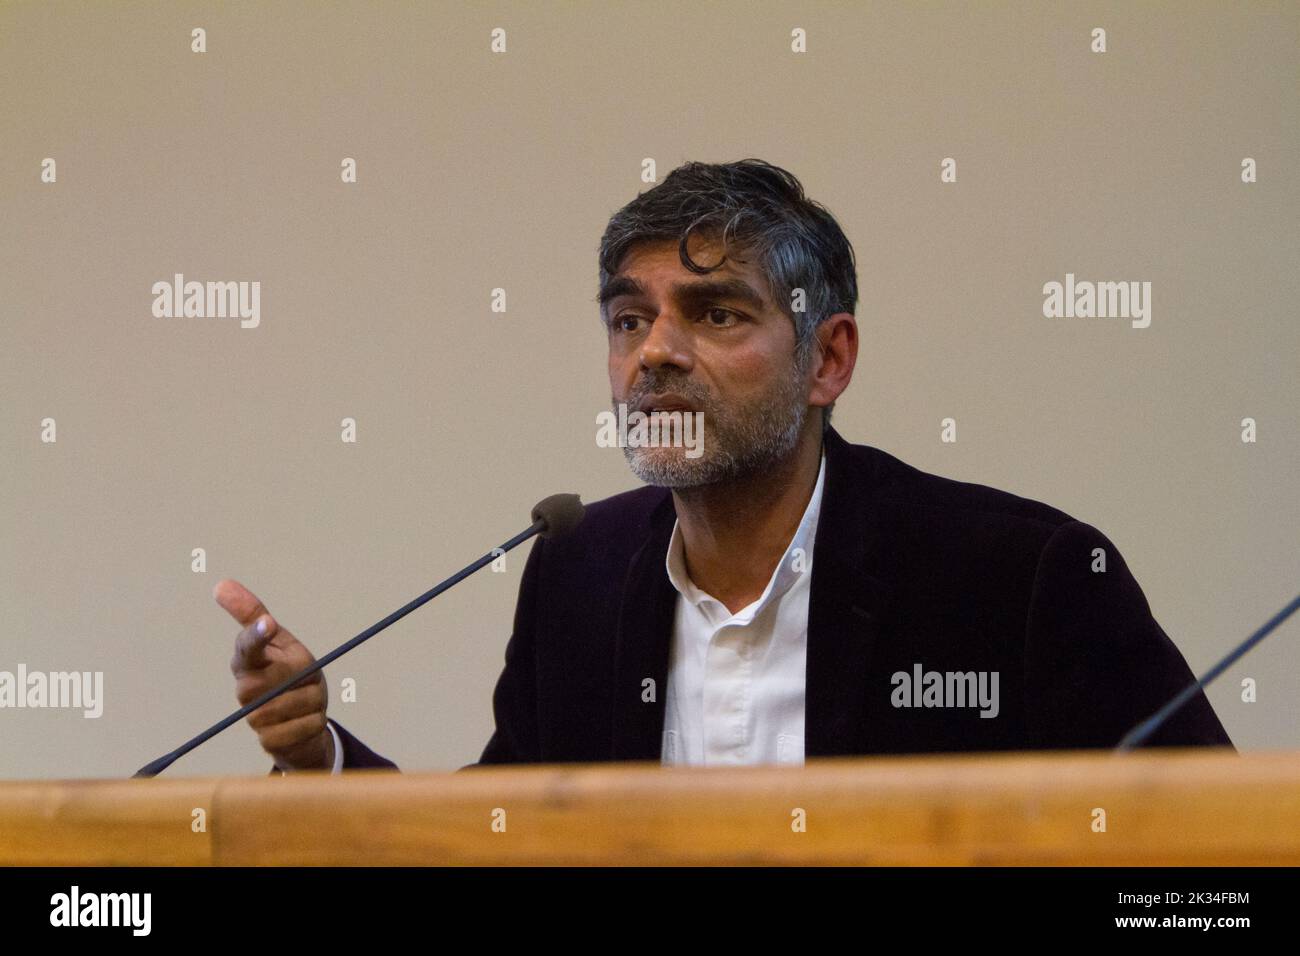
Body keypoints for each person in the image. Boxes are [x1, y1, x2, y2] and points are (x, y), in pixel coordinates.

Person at [215, 158, 1232, 773]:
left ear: (827, 358)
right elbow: (500, 838)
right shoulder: (578, 572)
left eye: (714, 312)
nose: (653, 350)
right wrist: (318, 752)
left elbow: (1210, 877)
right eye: (629, 318)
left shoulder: (1024, 576)